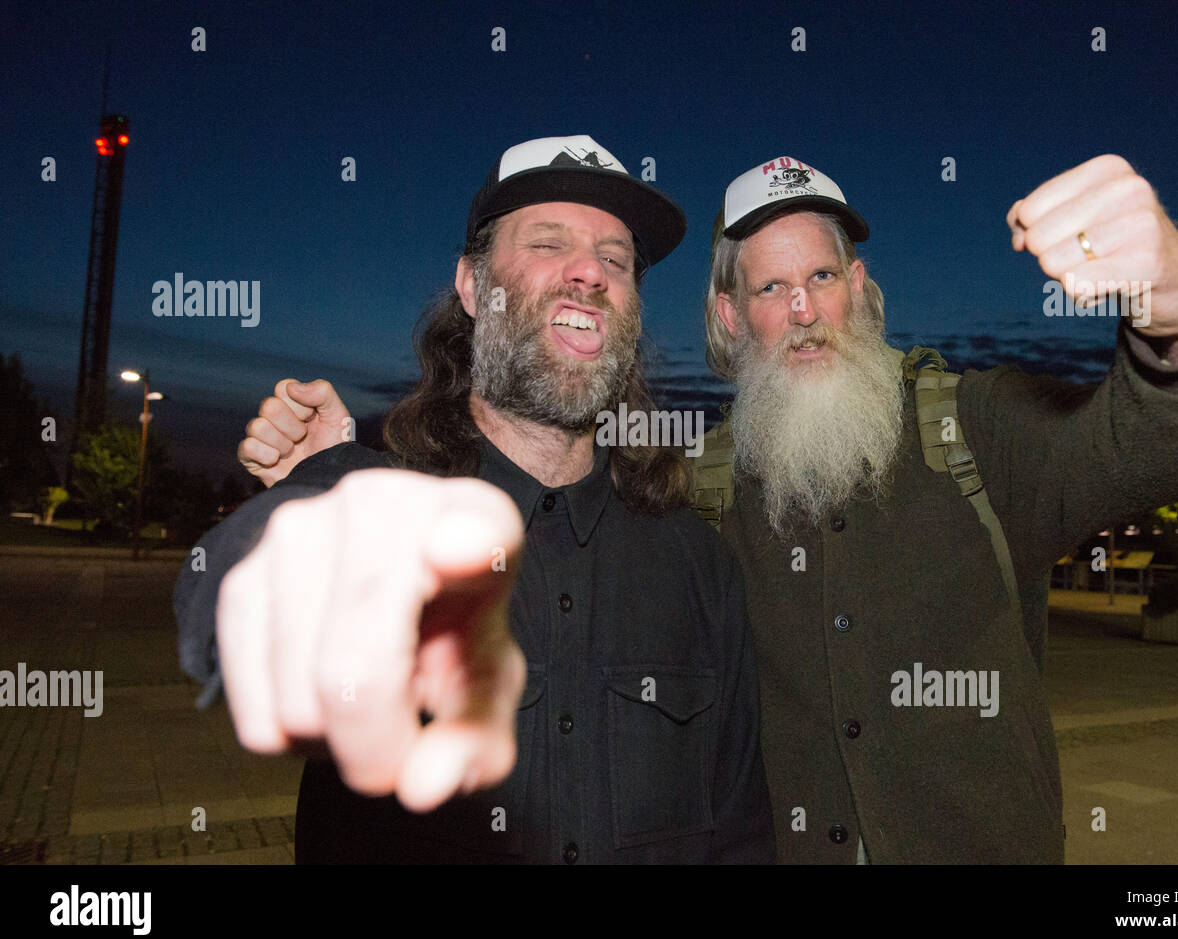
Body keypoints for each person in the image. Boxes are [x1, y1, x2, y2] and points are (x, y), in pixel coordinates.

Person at [239, 152, 1178, 864]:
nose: (803, 309)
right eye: (770, 289)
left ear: (860, 288)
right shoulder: (702, 491)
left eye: (821, 276)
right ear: (729, 316)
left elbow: (1151, 442)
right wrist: (349, 470)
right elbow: (530, 475)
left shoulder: (976, 431)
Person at [175, 134, 775, 864]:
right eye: (547, 243)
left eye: (616, 260)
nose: (590, 271)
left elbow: (742, 835)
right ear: (470, 285)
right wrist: (328, 481)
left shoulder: (700, 567)